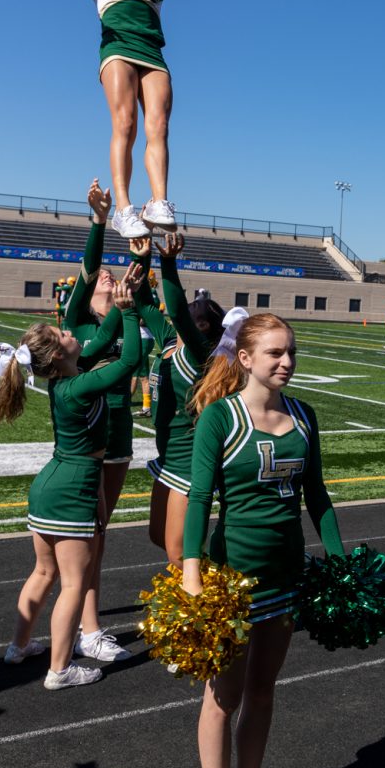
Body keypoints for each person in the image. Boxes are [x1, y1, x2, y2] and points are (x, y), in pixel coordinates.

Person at [1, 0, 276, 240]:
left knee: (158, 126)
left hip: (153, 55)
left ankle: (160, 202)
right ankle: (124, 209)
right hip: (117, 50)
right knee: (126, 123)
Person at [182, 312, 345, 768]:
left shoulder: (304, 415)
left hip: (285, 579)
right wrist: (192, 574)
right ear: (246, 358)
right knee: (223, 696)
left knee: (263, 692)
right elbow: (200, 500)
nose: (287, 362)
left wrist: (340, 562)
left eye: (291, 352)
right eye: (275, 353)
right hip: (231, 583)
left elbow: (316, 496)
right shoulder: (220, 418)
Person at [0, 264, 145, 688]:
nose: (69, 331)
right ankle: (60, 669)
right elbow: (130, 358)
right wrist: (130, 314)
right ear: (59, 354)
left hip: (50, 485)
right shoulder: (82, 385)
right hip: (73, 487)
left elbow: (103, 342)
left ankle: (19, 646)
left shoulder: (66, 380)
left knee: (43, 574)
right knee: (74, 583)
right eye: (61, 335)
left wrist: (120, 303)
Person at [60, 180, 138, 662]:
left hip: (121, 435)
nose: (107, 275)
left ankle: (86, 624)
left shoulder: (129, 318)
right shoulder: (79, 322)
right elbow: (90, 267)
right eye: (101, 276)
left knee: (102, 532)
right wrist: (99, 221)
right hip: (88, 439)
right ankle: (88, 629)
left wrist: (145, 254)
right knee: (91, 535)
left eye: (115, 274)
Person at [139, 233, 226, 562]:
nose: (191, 320)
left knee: (180, 554)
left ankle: (205, 606)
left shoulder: (201, 356)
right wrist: (141, 254)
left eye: (199, 320)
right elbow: (146, 302)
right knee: (158, 537)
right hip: (169, 459)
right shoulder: (169, 341)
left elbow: (173, 308)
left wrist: (169, 262)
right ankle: (214, 585)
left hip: (189, 465)